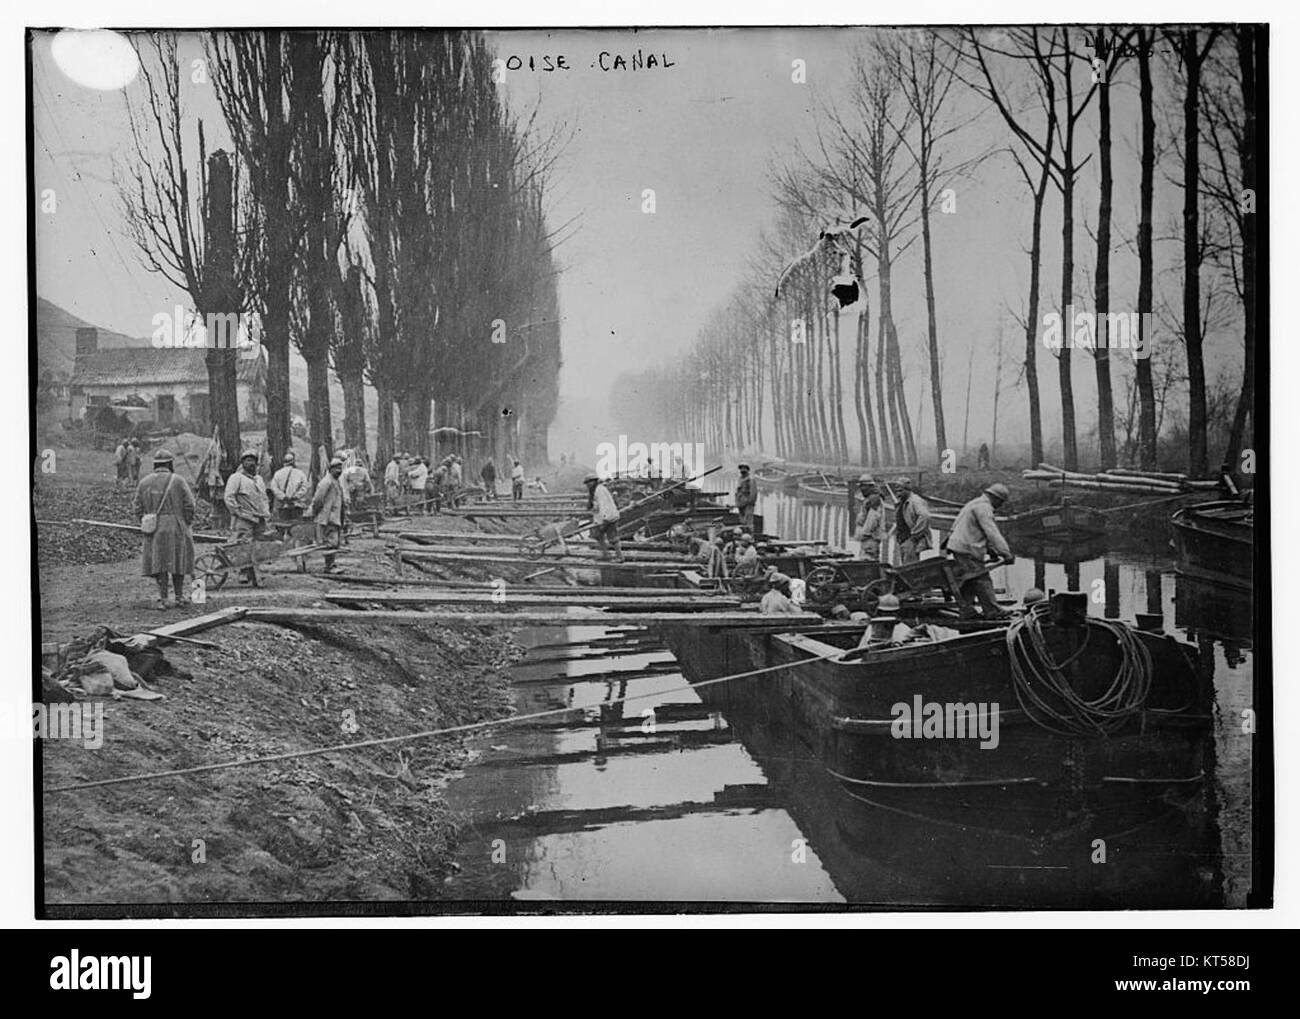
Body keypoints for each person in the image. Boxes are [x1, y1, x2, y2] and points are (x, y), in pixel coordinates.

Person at [133, 449, 196, 609]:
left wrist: (146, 520)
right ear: (170, 464)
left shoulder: (144, 482)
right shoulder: (178, 480)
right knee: (178, 561)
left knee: (159, 563)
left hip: (154, 529)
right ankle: (179, 597)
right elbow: (190, 504)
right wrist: (186, 521)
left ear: (155, 464)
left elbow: (137, 507)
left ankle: (163, 598)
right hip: (176, 525)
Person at [945, 482, 1015, 620]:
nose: (1000, 506)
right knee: (982, 578)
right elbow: (991, 532)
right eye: (1000, 502)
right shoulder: (984, 508)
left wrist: (992, 551)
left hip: (959, 546)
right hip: (966, 548)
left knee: (969, 579)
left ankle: (967, 610)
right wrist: (1006, 553)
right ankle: (993, 611)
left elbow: (976, 530)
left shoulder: (973, 503)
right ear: (996, 498)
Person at [224, 449, 271, 585]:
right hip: (244, 519)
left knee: (256, 547)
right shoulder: (236, 478)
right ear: (243, 462)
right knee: (243, 545)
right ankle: (243, 573)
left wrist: (266, 513)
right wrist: (238, 512)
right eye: (247, 460)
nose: (251, 463)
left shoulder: (259, 479)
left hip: (259, 519)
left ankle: (254, 574)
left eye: (253, 461)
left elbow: (264, 498)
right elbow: (229, 497)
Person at [309, 456, 347, 574]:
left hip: (334, 517)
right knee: (331, 542)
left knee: (334, 542)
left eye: (340, 468)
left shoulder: (336, 481)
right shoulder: (326, 482)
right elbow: (318, 499)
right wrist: (316, 513)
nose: (339, 471)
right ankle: (329, 566)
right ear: (331, 469)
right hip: (327, 517)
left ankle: (331, 564)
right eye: (336, 468)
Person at [584, 473, 623, 562]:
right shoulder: (595, 491)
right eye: (587, 483)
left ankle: (620, 557)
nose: (588, 485)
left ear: (594, 482)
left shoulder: (600, 490)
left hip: (608, 517)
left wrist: (605, 519)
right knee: (598, 536)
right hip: (601, 518)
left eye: (589, 483)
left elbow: (604, 505)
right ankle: (605, 554)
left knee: (613, 538)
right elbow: (597, 506)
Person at [893, 477, 932, 564]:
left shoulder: (915, 501)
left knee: (910, 567)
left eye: (900, 491)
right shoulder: (902, 502)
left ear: (907, 490)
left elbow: (925, 516)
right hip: (902, 540)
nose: (898, 494)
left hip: (910, 540)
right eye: (897, 491)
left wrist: (915, 535)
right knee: (904, 566)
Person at [270, 450, 309, 521]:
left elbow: (274, 488)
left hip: (283, 505)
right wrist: (296, 496)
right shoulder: (300, 473)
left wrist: (283, 497)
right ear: (293, 462)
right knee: (296, 527)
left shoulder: (278, 473)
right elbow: (304, 488)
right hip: (296, 505)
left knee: (283, 525)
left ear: (284, 462)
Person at [855, 484, 885, 562]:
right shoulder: (870, 499)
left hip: (870, 539)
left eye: (863, 486)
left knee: (868, 562)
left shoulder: (874, 500)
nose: (861, 489)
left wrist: (864, 534)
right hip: (868, 539)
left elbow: (872, 521)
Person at [734, 463, 757, 531]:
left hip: (748, 504)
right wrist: (737, 502)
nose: (742, 470)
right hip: (741, 504)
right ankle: (744, 535)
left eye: (744, 468)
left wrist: (750, 503)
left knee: (748, 522)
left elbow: (753, 493)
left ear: (747, 470)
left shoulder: (751, 480)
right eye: (741, 468)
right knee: (742, 522)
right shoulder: (740, 479)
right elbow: (738, 491)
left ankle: (750, 536)